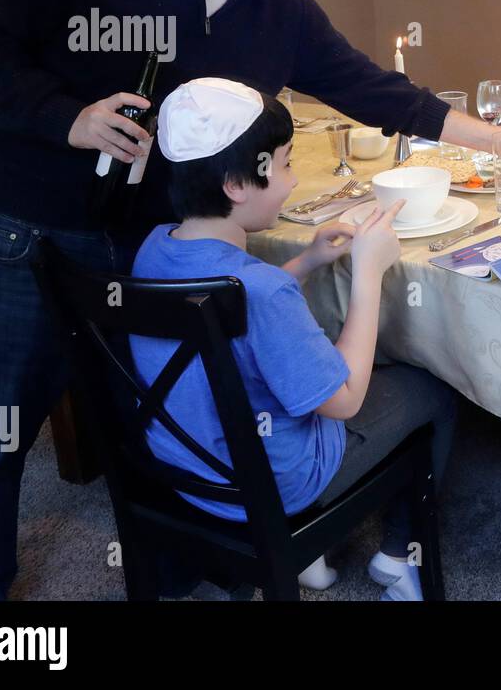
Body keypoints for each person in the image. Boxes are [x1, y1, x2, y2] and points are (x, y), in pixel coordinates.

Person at [0, 0, 501, 600]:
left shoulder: (276, 6)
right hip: (25, 226)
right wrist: (68, 118)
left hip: (144, 240)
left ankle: (199, 557)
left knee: (152, 413)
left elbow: (374, 88)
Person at [128, 78, 455, 600]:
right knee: (432, 384)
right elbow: (345, 402)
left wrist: (307, 261)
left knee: (314, 346)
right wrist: (368, 274)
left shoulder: (152, 248)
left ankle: (314, 561)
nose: (291, 180)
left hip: (181, 468)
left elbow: (229, 307)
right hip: (277, 485)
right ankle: (398, 557)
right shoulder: (266, 289)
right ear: (235, 184)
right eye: (282, 165)